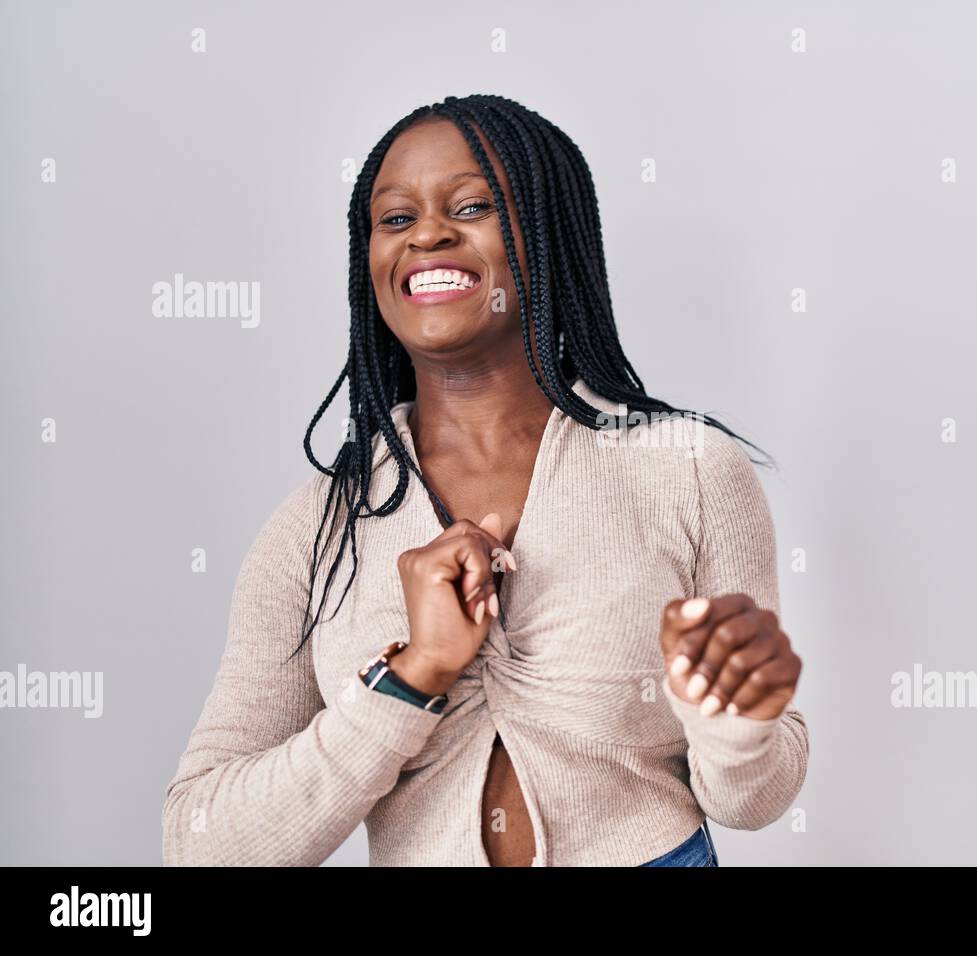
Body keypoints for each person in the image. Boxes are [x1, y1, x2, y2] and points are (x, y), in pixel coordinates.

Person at [161, 94, 809, 866]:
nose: (428, 234)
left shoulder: (689, 471)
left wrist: (734, 724)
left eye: (471, 206)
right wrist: (412, 677)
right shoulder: (317, 533)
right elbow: (202, 846)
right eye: (395, 219)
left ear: (549, 234)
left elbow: (752, 802)